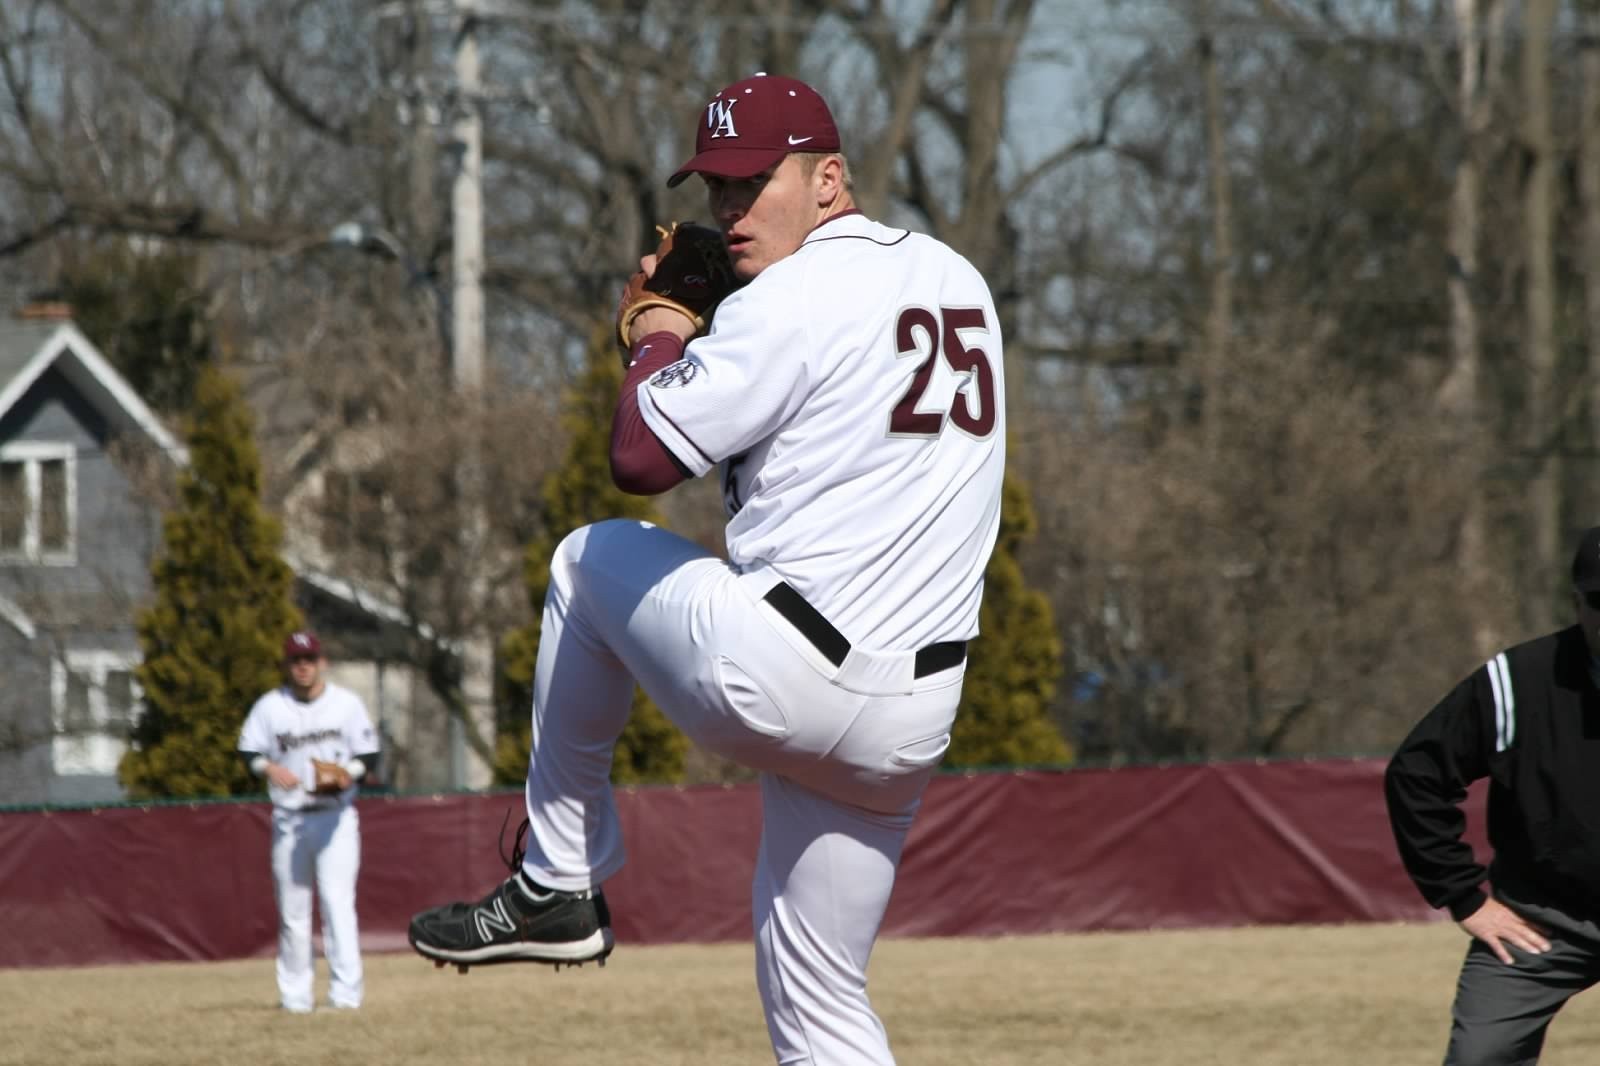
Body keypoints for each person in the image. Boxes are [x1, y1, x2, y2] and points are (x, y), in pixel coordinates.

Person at [407, 72, 1006, 1065]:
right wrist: (725, 303)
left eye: (754, 182)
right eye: (717, 190)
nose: (730, 211)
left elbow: (640, 458)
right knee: (815, 997)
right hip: (909, 719)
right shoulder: (956, 279)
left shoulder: (795, 296)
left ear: (828, 179)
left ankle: (556, 875)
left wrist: (659, 336)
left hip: (787, 668)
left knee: (585, 559)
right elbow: (842, 393)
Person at [1385, 526, 1600, 1065]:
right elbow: (1417, 773)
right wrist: (1463, 896)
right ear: (1577, 601)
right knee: (1479, 1056)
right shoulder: (1517, 681)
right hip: (1543, 919)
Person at [238, 630, 381, 1013]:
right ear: (286, 665)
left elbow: (369, 753)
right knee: (293, 912)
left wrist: (347, 771)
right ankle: (296, 998)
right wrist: (267, 766)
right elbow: (248, 750)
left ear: (322, 663)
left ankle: (346, 996)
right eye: (296, 660)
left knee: (337, 906)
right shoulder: (271, 707)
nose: (303, 667)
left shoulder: (345, 705)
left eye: (309, 659)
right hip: (290, 819)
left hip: (335, 819)